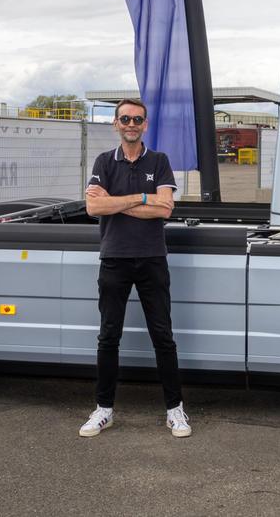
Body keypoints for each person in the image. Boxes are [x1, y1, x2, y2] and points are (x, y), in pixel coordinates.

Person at [78, 99, 191, 438]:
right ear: (115, 123)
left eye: (137, 119)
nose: (131, 124)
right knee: (108, 336)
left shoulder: (159, 161)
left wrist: (118, 201)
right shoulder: (103, 161)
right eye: (125, 118)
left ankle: (175, 410)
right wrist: (142, 197)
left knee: (163, 336)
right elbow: (93, 206)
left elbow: (165, 209)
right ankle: (103, 410)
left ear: (145, 124)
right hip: (114, 258)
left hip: (152, 258)